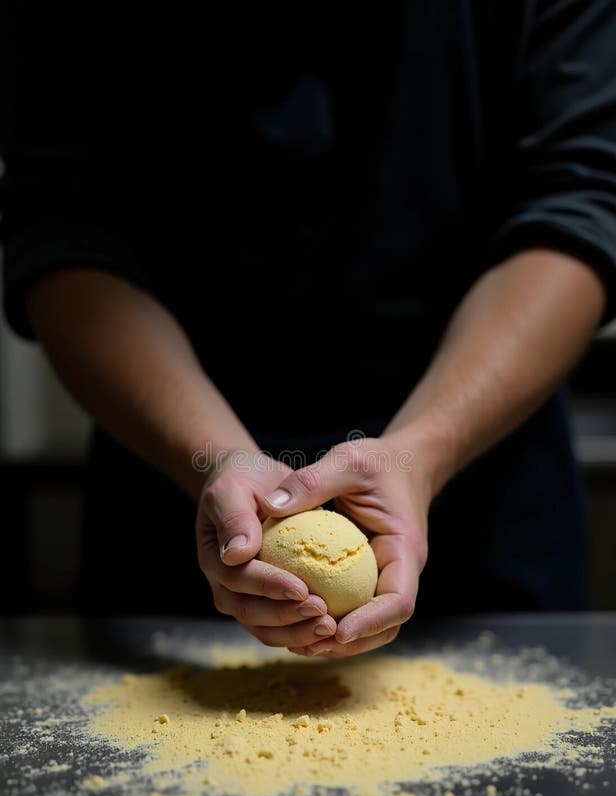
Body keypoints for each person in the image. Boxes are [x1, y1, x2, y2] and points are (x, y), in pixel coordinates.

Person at [1, 2, 615, 658]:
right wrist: (215, 459)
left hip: (485, 498)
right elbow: (66, 231)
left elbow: (577, 205)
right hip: (171, 496)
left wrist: (421, 453)